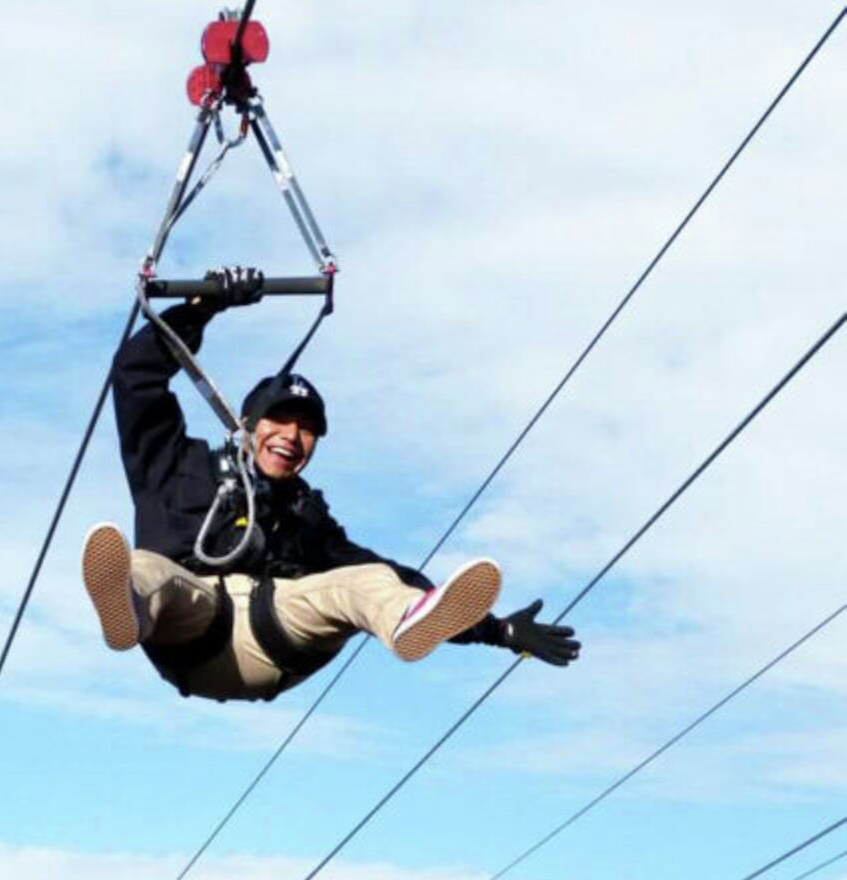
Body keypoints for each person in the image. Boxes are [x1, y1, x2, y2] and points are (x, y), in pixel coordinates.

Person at [82, 266, 579, 702]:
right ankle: (128, 605)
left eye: (307, 429)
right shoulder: (177, 466)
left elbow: (391, 571)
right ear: (249, 425)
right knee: (146, 569)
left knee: (367, 581)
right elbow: (135, 377)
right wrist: (201, 307)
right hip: (190, 632)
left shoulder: (304, 518)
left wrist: (501, 631)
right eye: (280, 420)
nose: (292, 437)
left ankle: (402, 622)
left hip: (268, 642)